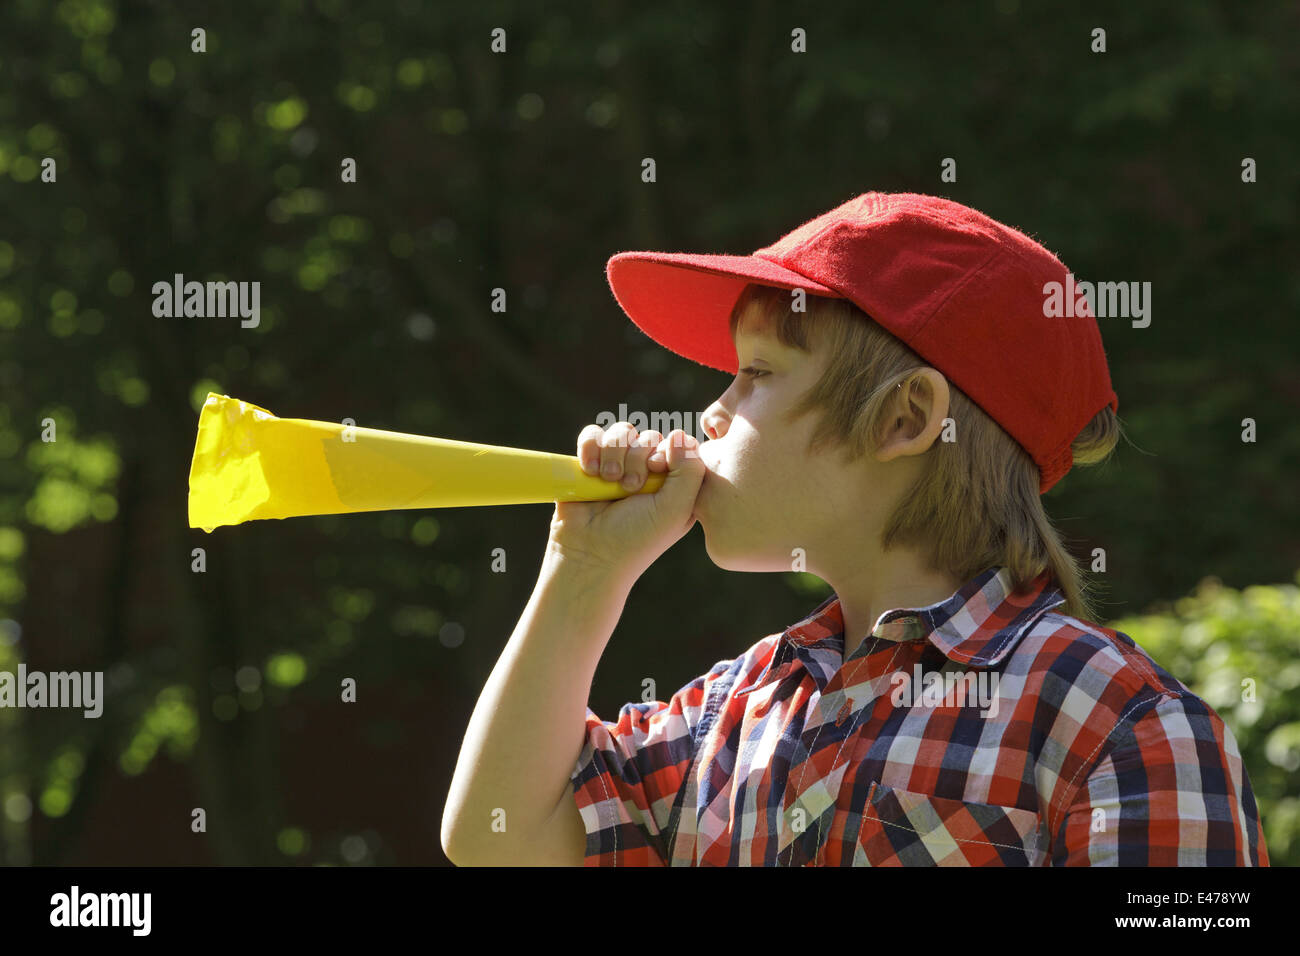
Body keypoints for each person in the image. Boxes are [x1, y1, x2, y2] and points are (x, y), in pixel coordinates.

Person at [440, 191, 1269, 866]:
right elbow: (495, 833)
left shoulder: (1118, 725)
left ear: (906, 419)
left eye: (756, 373)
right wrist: (583, 566)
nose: (710, 413)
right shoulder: (733, 711)